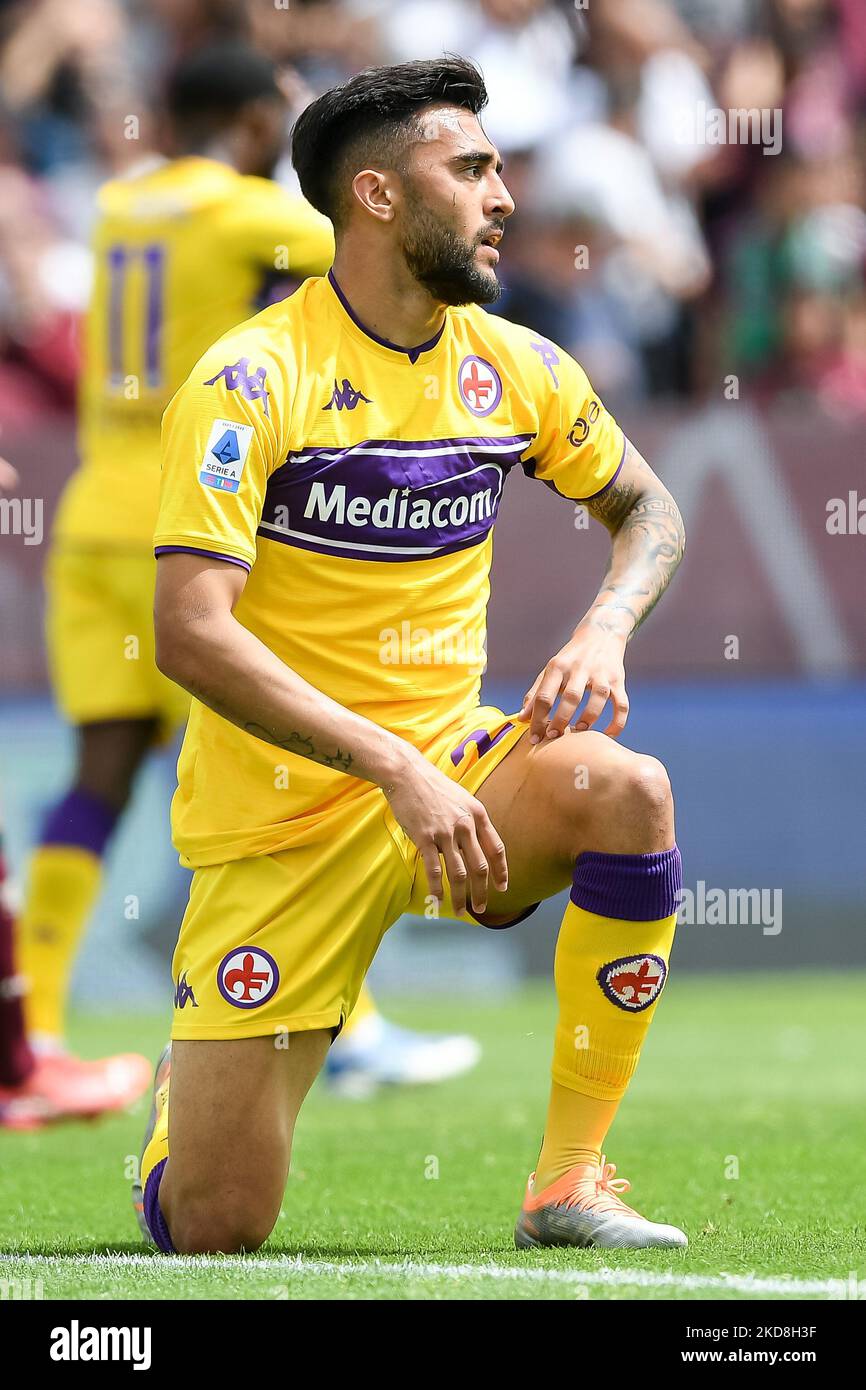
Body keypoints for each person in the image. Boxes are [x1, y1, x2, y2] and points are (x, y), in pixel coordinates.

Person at [139, 57, 687, 1255]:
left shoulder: (514, 364)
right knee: (216, 1229)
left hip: (456, 765)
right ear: (378, 196)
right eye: (473, 169)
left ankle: (569, 1178)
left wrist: (602, 624)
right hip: (277, 817)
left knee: (626, 792)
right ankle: (185, 1097)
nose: (503, 197)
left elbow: (651, 513)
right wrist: (392, 766)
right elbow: (190, 632)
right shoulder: (251, 380)